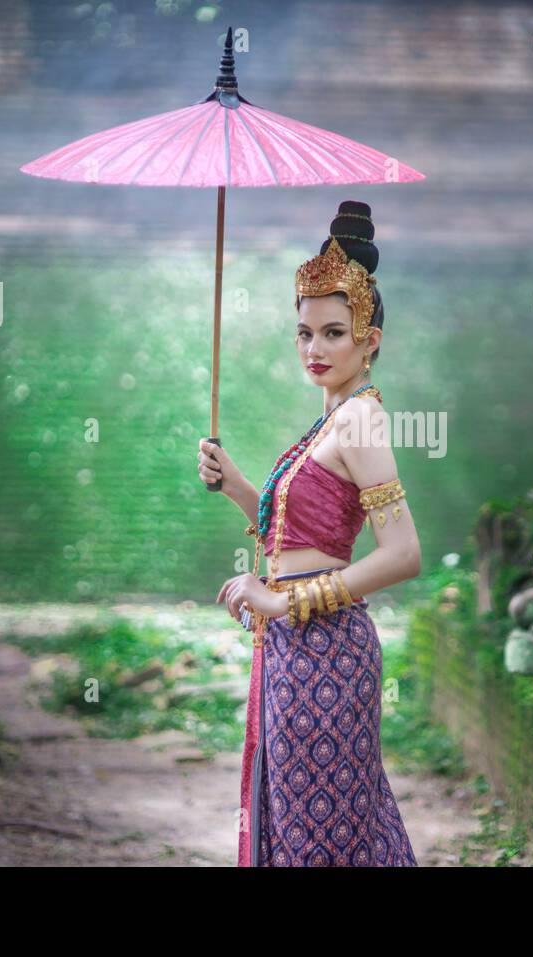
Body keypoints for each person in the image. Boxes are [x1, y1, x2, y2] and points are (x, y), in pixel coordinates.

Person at [196, 200, 421, 866]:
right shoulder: (327, 425)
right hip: (293, 654)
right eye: (304, 333)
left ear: (369, 341)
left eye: (333, 333)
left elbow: (404, 553)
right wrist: (237, 484)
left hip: (325, 651)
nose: (314, 349)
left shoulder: (360, 422)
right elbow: (303, 535)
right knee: (297, 828)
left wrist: (281, 600)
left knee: (322, 838)